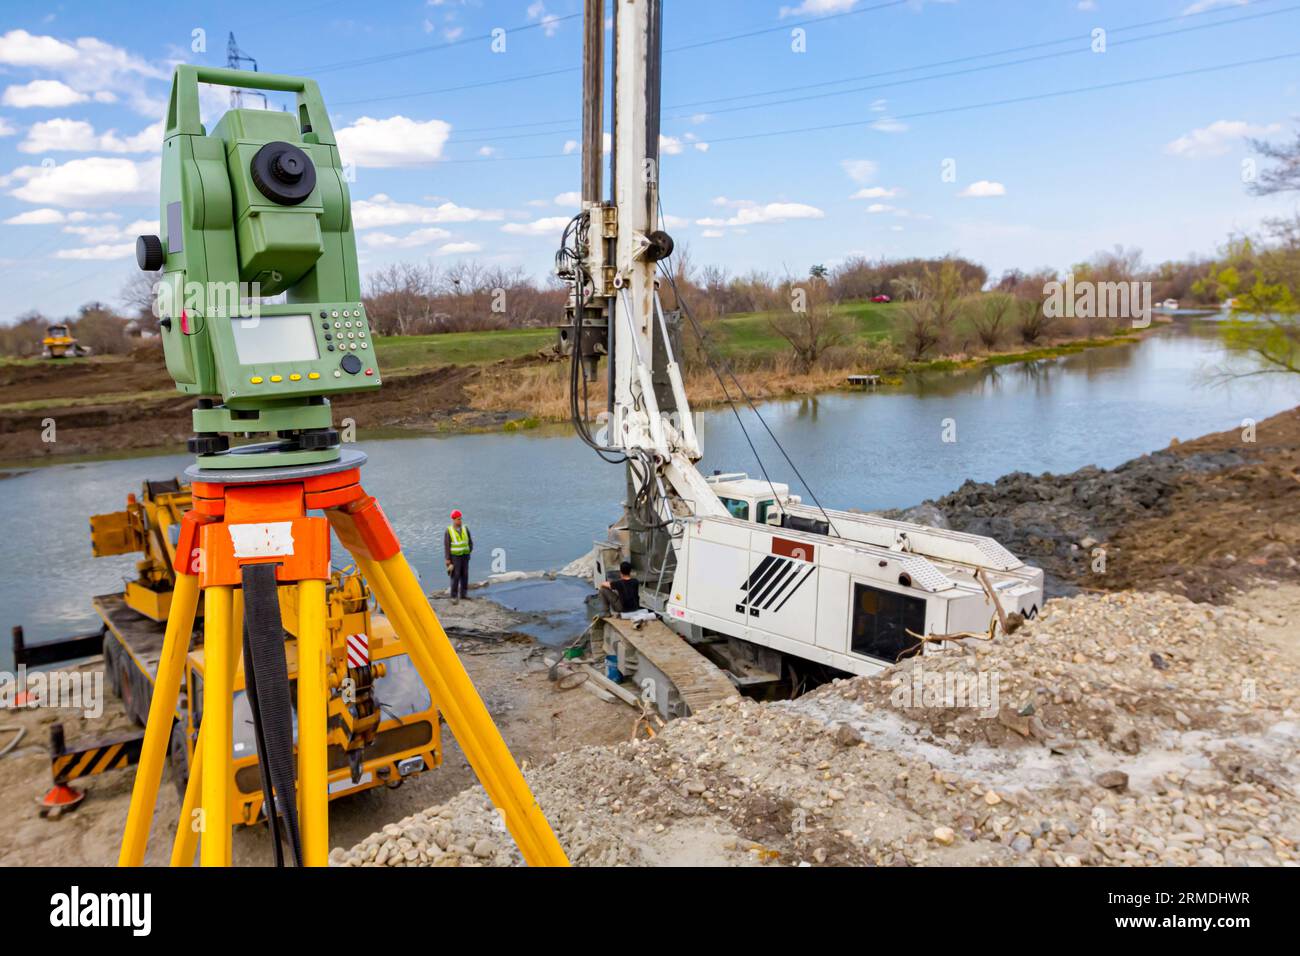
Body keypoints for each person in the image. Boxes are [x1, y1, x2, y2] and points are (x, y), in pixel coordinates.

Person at [444, 509, 472, 602]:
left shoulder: (465, 528)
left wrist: (469, 551)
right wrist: (448, 559)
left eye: (461, 519)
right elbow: (447, 545)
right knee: (455, 576)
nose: (460, 521)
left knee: (465, 575)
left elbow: (470, 541)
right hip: (455, 557)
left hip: (465, 556)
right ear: (454, 520)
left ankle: (464, 594)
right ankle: (453, 596)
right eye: (458, 519)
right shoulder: (449, 531)